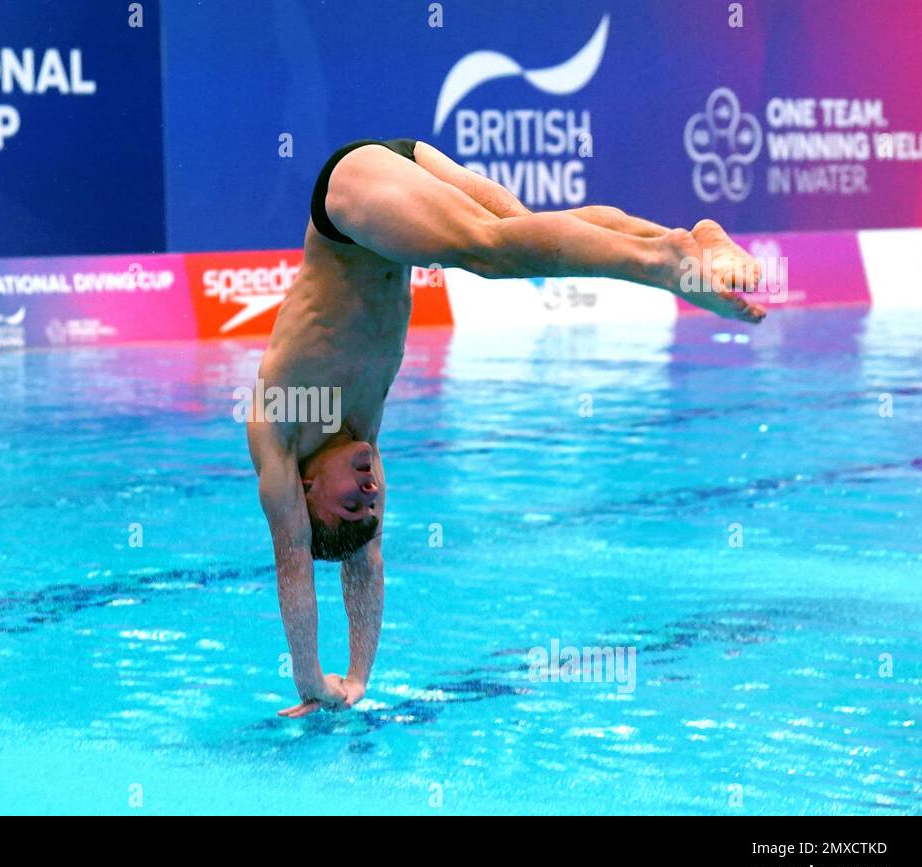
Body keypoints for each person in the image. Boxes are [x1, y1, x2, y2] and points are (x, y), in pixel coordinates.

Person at [246, 138, 765, 718]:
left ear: (307, 494)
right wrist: (359, 679)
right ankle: (692, 240)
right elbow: (366, 560)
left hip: (347, 202)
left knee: (490, 252)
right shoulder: (359, 439)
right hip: (396, 191)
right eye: (371, 507)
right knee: (527, 232)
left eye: (351, 507)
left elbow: (293, 561)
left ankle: (663, 264)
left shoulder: (280, 430)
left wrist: (312, 679)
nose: (370, 495)